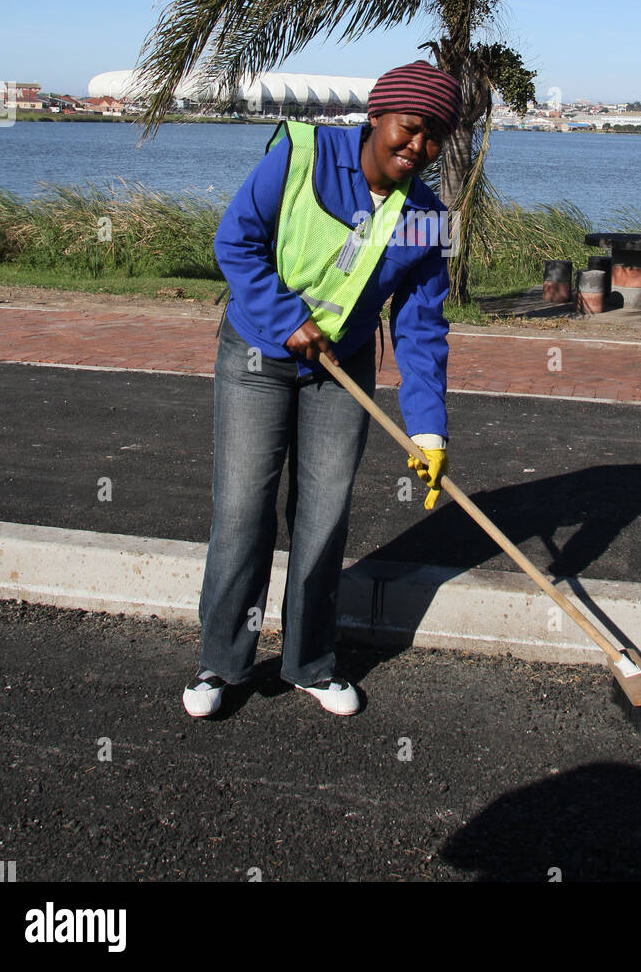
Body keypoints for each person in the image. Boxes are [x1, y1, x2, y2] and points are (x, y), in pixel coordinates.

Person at [183, 59, 463, 718]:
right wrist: (287, 321)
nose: (417, 148)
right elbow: (236, 242)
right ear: (377, 116)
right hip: (257, 353)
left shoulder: (425, 216)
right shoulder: (301, 154)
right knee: (243, 512)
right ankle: (221, 665)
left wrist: (428, 431)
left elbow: (421, 330)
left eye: (433, 139)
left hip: (343, 367)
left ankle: (309, 662)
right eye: (410, 129)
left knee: (324, 515)